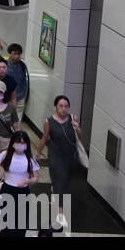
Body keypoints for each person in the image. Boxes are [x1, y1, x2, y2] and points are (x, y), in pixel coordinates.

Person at [36, 95, 82, 225]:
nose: (63, 109)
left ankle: (59, 200)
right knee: (59, 182)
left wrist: (77, 127)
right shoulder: (49, 121)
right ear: (56, 106)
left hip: (70, 155)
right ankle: (60, 212)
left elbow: (80, 136)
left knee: (66, 182)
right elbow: (45, 138)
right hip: (56, 156)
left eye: (66, 106)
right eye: (61, 106)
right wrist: (38, 153)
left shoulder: (73, 119)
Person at [0, 131, 39, 238]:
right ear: (13, 143)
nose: (20, 145)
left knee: (20, 222)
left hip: (23, 192)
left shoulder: (30, 159)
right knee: (6, 219)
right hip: (7, 189)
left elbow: (36, 178)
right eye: (18, 142)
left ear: (27, 144)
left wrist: (28, 181)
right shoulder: (6, 154)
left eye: (23, 143)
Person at [5, 43, 30, 121]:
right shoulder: (4, 65)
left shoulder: (22, 65)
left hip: (20, 95)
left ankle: (16, 132)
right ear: (10, 53)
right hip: (8, 97)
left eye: (19, 54)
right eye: (14, 54)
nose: (17, 56)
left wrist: (23, 94)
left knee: (18, 117)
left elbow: (24, 81)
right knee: (7, 116)